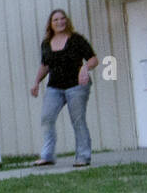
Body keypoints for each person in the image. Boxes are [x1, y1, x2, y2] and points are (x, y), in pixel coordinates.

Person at [29, 9, 98, 167]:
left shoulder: (77, 39)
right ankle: (47, 156)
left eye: (62, 19)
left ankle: (83, 156)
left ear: (67, 21)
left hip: (77, 86)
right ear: (50, 24)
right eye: (56, 20)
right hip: (55, 87)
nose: (60, 22)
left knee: (78, 120)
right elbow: (45, 65)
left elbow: (93, 59)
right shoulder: (46, 43)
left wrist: (85, 68)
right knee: (47, 118)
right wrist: (36, 82)